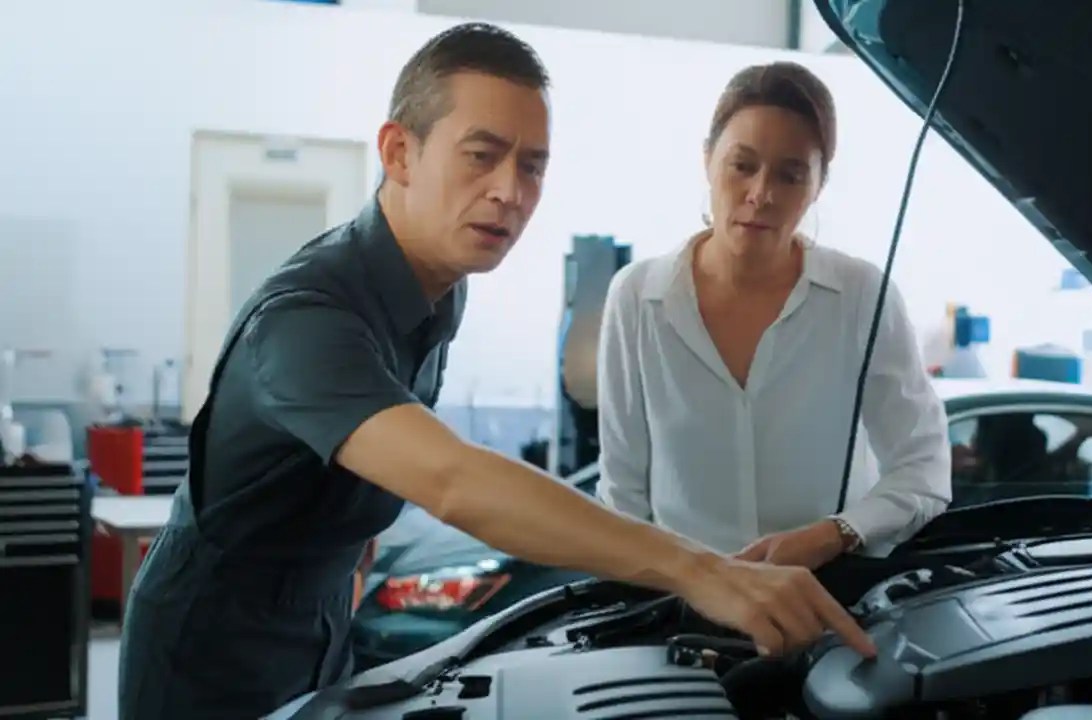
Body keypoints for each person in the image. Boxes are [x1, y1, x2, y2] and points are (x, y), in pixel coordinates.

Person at [118, 24, 874, 719]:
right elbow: (452, 481)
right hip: (209, 653)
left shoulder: (437, 288)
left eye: (533, 166)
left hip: (319, 620)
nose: (511, 192)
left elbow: (367, 466)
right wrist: (702, 571)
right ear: (398, 153)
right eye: (482, 156)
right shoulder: (307, 319)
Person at [596, 61, 952, 571]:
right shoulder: (636, 298)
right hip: (679, 613)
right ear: (707, 160)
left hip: (831, 601)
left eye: (790, 174)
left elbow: (924, 469)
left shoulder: (861, 296)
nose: (761, 194)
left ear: (819, 185)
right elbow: (622, 493)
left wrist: (836, 534)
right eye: (742, 165)